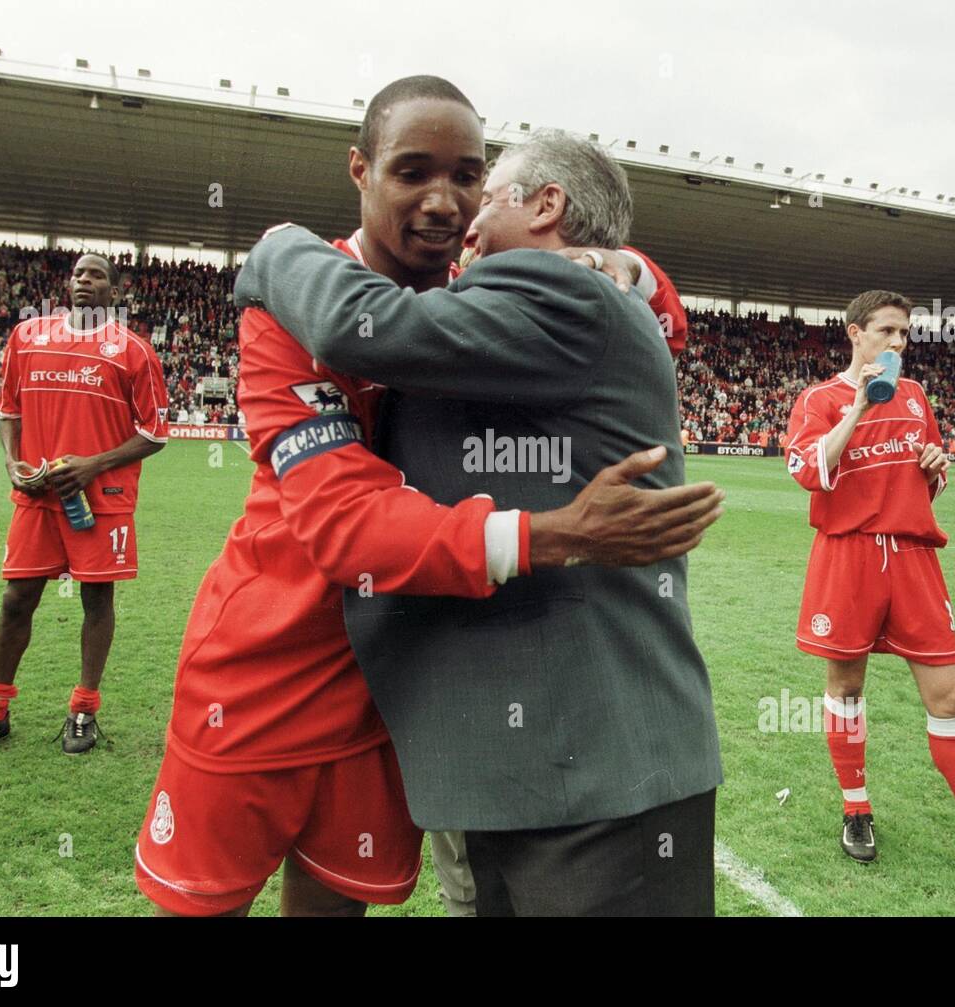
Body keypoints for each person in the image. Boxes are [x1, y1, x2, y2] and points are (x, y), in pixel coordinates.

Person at [135, 77, 721, 918]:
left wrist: (629, 263)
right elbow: (346, 523)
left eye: (468, 177)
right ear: (361, 171)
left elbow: (634, 312)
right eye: (413, 173)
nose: (446, 203)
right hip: (264, 669)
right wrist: (552, 533)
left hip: (390, 698)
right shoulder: (291, 312)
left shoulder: (479, 290)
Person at [785, 289, 955, 909]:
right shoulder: (819, 399)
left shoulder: (915, 397)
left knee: (950, 695)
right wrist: (859, 406)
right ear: (855, 333)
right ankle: (856, 810)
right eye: (886, 331)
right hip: (848, 555)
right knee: (847, 689)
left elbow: (926, 479)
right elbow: (809, 470)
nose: (897, 343)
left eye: (905, 334)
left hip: (912, 557)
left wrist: (935, 463)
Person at [0, 253, 169, 758]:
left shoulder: (133, 351)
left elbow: (154, 434)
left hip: (100, 502)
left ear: (114, 291)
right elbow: (8, 412)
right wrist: (13, 462)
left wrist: (92, 465)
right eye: (79, 273)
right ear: (68, 284)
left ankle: (83, 709)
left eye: (97, 276)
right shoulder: (27, 337)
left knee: (96, 601)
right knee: (16, 600)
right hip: (36, 497)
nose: (85, 280)